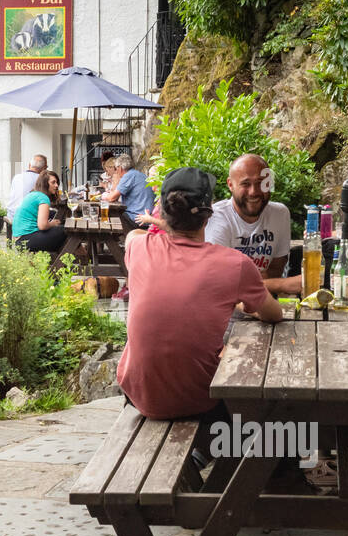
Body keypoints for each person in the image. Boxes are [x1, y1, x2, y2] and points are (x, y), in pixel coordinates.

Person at [117, 167, 283, 421]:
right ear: (209, 214)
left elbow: (134, 235)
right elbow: (274, 314)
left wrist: (165, 224)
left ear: (162, 210)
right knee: (263, 408)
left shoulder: (138, 247)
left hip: (137, 394)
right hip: (199, 399)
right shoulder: (235, 264)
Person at [204, 154, 300, 295]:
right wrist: (282, 284)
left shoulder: (280, 214)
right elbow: (221, 284)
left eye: (261, 182)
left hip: (262, 300)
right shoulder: (217, 217)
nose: (254, 192)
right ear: (230, 185)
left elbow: (275, 270)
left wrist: (246, 282)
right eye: (245, 184)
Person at [12, 169, 66, 253]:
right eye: (53, 182)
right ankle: (75, 254)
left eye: (57, 183)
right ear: (45, 184)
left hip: (19, 240)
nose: (56, 185)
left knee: (54, 215)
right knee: (66, 230)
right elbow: (42, 226)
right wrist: (52, 223)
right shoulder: (43, 197)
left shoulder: (34, 194)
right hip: (25, 240)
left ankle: (70, 253)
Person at [104, 154, 156, 230]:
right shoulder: (138, 174)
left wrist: (103, 196)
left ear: (120, 168)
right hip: (147, 216)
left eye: (116, 168)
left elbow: (111, 198)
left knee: (111, 214)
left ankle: (117, 237)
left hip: (138, 218)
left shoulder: (128, 176)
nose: (116, 171)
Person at [6, 154, 48, 229]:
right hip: (25, 220)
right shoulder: (41, 180)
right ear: (44, 168)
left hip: (11, 215)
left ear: (29, 165)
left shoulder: (17, 177)